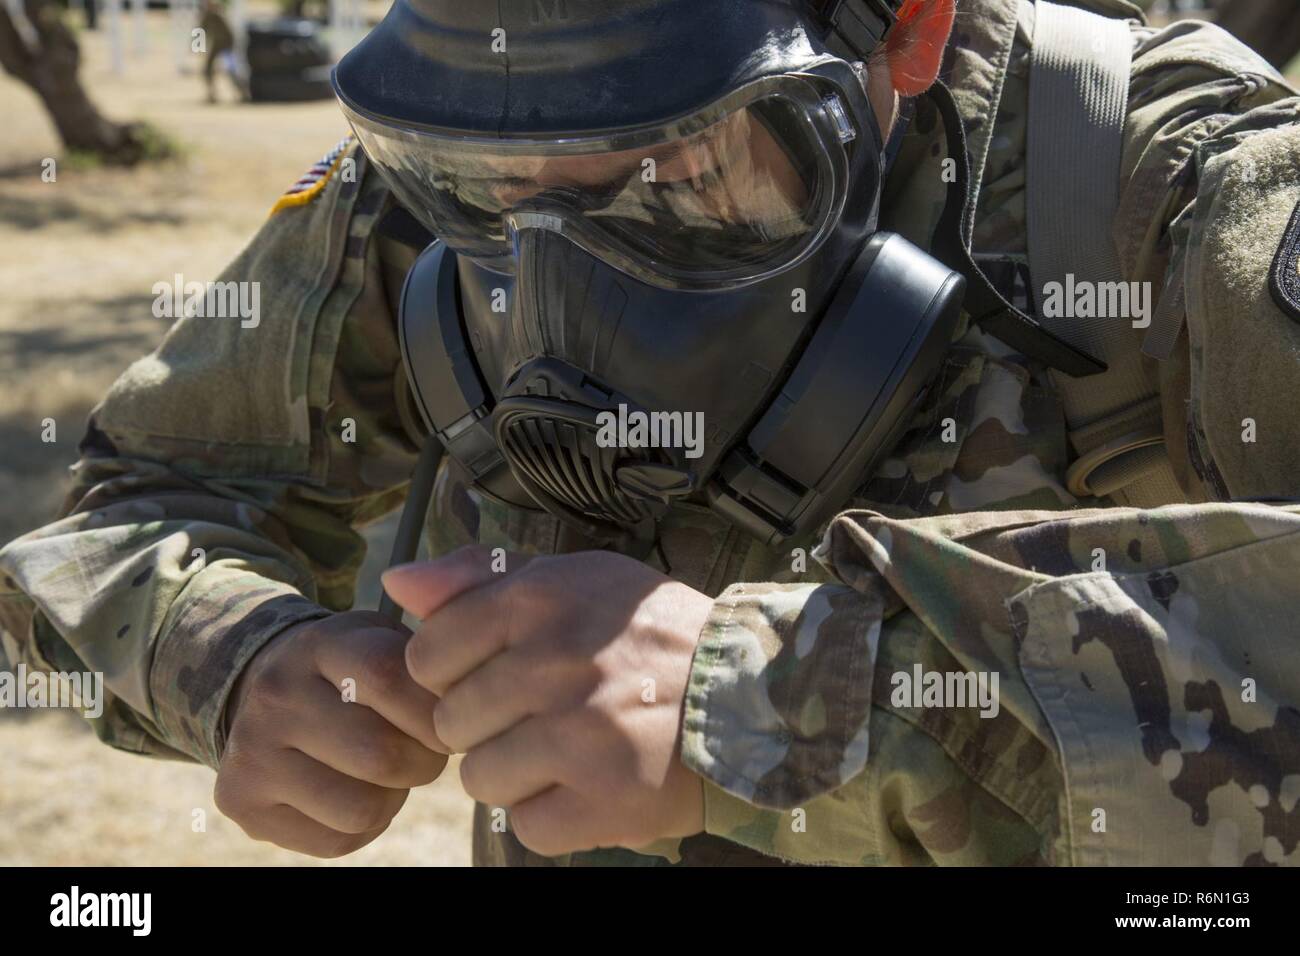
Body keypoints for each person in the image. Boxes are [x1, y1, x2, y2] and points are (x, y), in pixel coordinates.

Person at [2, 0, 1298, 867]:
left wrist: (782, 702)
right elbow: (118, 516)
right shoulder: (457, 161)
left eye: (673, 166)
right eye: (498, 183)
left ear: (905, 31)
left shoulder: (1172, 198)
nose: (549, 252)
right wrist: (232, 657)